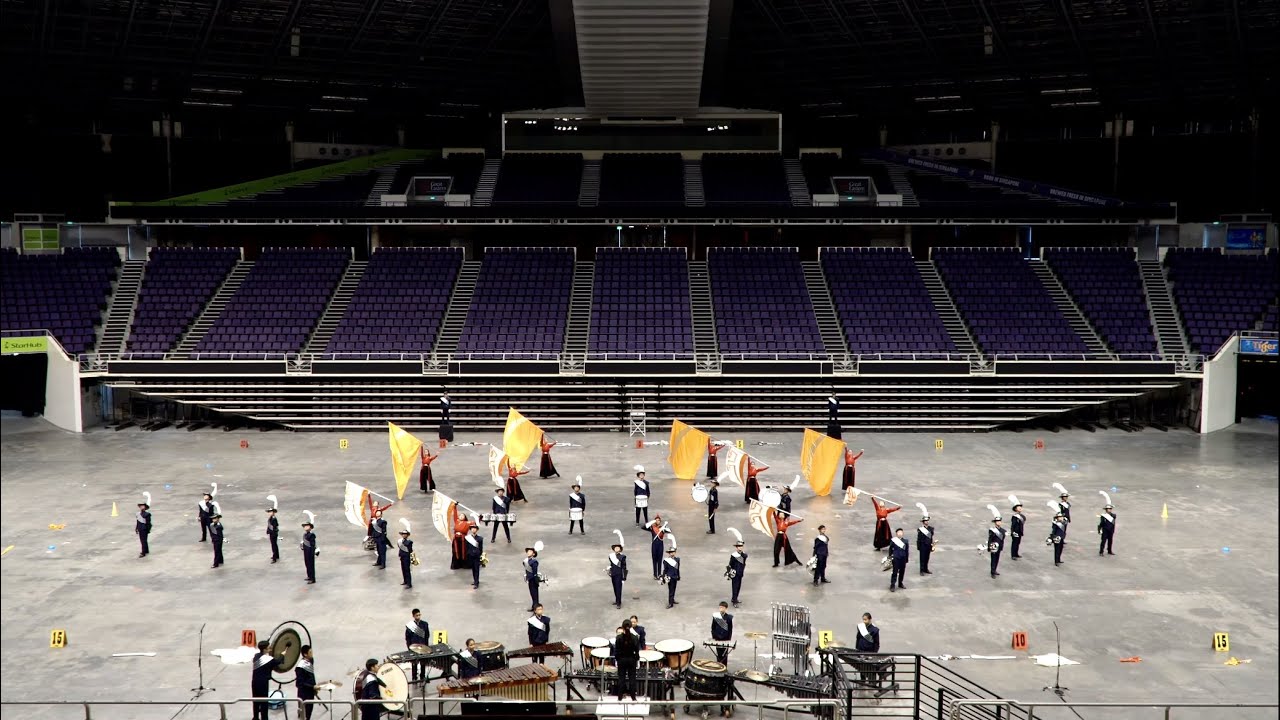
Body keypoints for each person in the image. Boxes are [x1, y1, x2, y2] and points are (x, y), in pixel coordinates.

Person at [251, 640, 283, 720]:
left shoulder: (256, 656)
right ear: (264, 649)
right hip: (263, 684)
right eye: (269, 648)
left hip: (254, 682)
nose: (270, 649)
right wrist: (282, 655)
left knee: (255, 702)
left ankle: (255, 717)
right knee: (264, 703)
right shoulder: (267, 659)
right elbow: (278, 661)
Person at [614, 619, 640, 700]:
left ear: (623, 627)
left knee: (621, 679)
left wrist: (618, 659)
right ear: (631, 626)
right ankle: (633, 697)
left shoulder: (618, 638)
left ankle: (620, 697)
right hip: (631, 660)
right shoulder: (635, 638)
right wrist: (635, 659)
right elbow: (637, 651)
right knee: (632, 678)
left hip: (622, 660)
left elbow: (616, 651)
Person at [405, 609, 431, 681]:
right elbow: (407, 638)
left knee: (423, 662)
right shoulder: (410, 626)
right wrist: (409, 647)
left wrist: (426, 646)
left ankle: (422, 676)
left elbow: (427, 635)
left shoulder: (425, 624)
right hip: (413, 646)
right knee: (414, 662)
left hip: (422, 646)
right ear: (413, 616)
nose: (418, 617)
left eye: (419, 615)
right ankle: (414, 677)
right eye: (417, 615)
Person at [296, 645, 317, 720]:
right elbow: (299, 683)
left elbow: (310, 675)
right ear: (305, 654)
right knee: (304, 714)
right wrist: (312, 687)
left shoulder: (311, 660)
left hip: (310, 692)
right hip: (304, 694)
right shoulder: (300, 668)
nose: (312, 654)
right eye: (310, 652)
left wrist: (314, 687)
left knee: (309, 712)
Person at [986, 506, 1005, 578]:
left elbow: (1002, 538)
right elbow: (990, 539)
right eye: (997, 521)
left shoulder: (1003, 530)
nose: (999, 522)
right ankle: (992, 572)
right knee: (993, 560)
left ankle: (995, 570)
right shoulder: (992, 530)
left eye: (1000, 521)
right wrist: (989, 547)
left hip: (999, 546)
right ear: (995, 522)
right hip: (994, 546)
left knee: (997, 559)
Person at [728, 536, 747, 607]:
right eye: (739, 546)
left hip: (740, 573)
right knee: (735, 587)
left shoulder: (743, 555)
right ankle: (734, 601)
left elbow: (744, 558)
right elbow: (730, 564)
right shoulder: (734, 555)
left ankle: (735, 598)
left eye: (741, 546)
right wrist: (730, 573)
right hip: (735, 573)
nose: (740, 547)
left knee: (738, 586)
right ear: (736, 547)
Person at [608, 540, 627, 608]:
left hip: (619, 574)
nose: (616, 548)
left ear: (620, 549)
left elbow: (624, 567)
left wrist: (624, 576)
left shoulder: (622, 557)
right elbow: (611, 564)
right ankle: (617, 600)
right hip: (613, 573)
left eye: (618, 548)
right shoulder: (611, 556)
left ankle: (619, 603)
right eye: (615, 548)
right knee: (615, 588)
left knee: (619, 589)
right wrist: (609, 569)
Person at [916, 510, 934, 575]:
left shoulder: (931, 529)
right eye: (925, 521)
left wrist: (932, 545)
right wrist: (918, 546)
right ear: (923, 522)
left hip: (928, 545)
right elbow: (919, 539)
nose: (927, 522)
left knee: (927, 558)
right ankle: (921, 570)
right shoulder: (920, 529)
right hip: (923, 545)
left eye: (927, 521)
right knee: (922, 558)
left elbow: (931, 537)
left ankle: (926, 569)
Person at [662, 544, 681, 608]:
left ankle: (672, 600)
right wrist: (663, 577)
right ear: (669, 553)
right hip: (670, 577)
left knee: (674, 589)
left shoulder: (677, 560)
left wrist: (678, 576)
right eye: (670, 552)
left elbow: (678, 569)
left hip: (675, 577)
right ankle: (670, 603)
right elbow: (665, 570)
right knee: (671, 590)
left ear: (675, 552)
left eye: (673, 552)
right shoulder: (666, 561)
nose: (671, 553)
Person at [466, 524, 484, 588]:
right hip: (470, 555)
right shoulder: (468, 538)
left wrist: (480, 555)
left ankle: (476, 583)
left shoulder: (480, 538)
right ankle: (475, 580)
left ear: (477, 530)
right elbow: (467, 547)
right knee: (473, 569)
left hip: (476, 556)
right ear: (470, 530)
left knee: (476, 569)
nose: (473, 529)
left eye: (475, 528)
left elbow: (481, 548)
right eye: (472, 528)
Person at [524, 545, 541, 610]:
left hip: (533, 580)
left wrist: (536, 580)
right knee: (532, 593)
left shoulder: (534, 562)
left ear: (533, 554)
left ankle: (536, 607)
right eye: (528, 551)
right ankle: (534, 606)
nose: (528, 552)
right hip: (529, 579)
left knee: (535, 594)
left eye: (530, 551)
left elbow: (535, 572)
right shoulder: (526, 561)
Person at [301, 518, 317, 584]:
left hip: (310, 552)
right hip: (306, 551)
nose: (305, 527)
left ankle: (312, 578)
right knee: (307, 564)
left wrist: (312, 552)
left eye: (307, 526)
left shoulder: (311, 535)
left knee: (311, 565)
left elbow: (313, 545)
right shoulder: (305, 534)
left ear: (310, 527)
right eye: (304, 526)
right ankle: (309, 576)